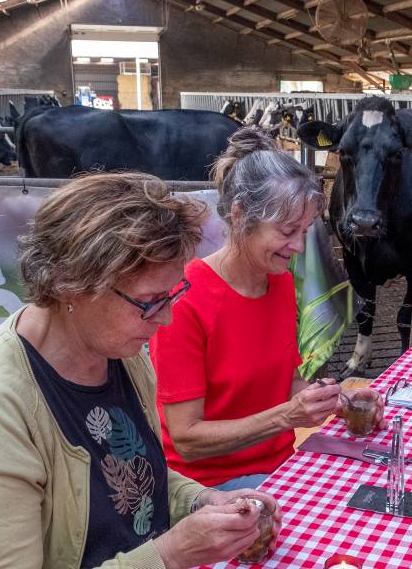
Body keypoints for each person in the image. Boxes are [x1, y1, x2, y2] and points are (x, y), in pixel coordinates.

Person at [0, 173, 281, 569]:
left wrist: (201, 500)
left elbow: (131, 478)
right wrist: (169, 554)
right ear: (69, 283)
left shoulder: (119, 352)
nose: (165, 318)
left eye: (171, 295)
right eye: (149, 301)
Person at [150, 127, 384, 490]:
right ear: (241, 216)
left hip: (278, 470)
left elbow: (287, 382)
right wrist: (287, 417)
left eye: (305, 231)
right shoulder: (185, 300)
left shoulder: (280, 281)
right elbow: (186, 438)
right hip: (208, 488)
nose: (299, 247)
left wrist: (336, 400)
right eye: (288, 231)